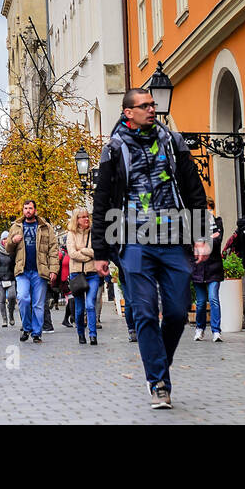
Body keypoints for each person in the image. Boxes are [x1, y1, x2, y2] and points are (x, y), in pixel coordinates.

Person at [93, 87, 210, 410]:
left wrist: (201, 235)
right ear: (128, 112)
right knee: (144, 311)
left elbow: (194, 190)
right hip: (133, 241)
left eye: (153, 105)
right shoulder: (114, 149)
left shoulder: (173, 143)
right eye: (144, 106)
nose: (151, 110)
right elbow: (101, 201)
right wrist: (101, 252)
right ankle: (158, 382)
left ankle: (159, 364)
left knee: (176, 311)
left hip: (173, 239)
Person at [4, 199, 59, 344]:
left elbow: (53, 250)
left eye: (30, 208)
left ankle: (36, 333)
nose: (27, 211)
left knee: (38, 304)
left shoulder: (45, 227)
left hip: (39, 271)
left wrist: (54, 270)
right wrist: (13, 241)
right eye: (25, 208)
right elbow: (8, 249)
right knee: (23, 298)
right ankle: (27, 327)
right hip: (22, 271)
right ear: (22, 210)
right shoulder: (16, 227)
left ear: (35, 210)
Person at [192, 197, 226, 342]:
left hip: (214, 268)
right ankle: (200, 329)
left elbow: (217, 243)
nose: (207, 210)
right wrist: (210, 237)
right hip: (198, 269)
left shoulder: (218, 222)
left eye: (209, 207)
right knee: (200, 303)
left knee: (213, 299)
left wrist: (206, 240)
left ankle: (216, 331)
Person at [67, 208, 101, 345]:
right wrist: (88, 257)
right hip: (76, 274)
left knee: (90, 304)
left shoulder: (94, 233)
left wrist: (84, 250)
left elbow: (98, 251)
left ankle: (93, 335)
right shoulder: (71, 234)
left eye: (87, 216)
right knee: (80, 308)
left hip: (93, 273)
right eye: (83, 217)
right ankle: (81, 333)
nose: (86, 219)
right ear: (77, 219)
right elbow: (72, 253)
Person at [0, 231, 17, 327]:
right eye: (4, 239)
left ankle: (11, 314)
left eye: (7, 239)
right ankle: (4, 319)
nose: (5, 241)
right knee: (2, 299)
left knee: (12, 297)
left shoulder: (13, 251)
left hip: (11, 278)